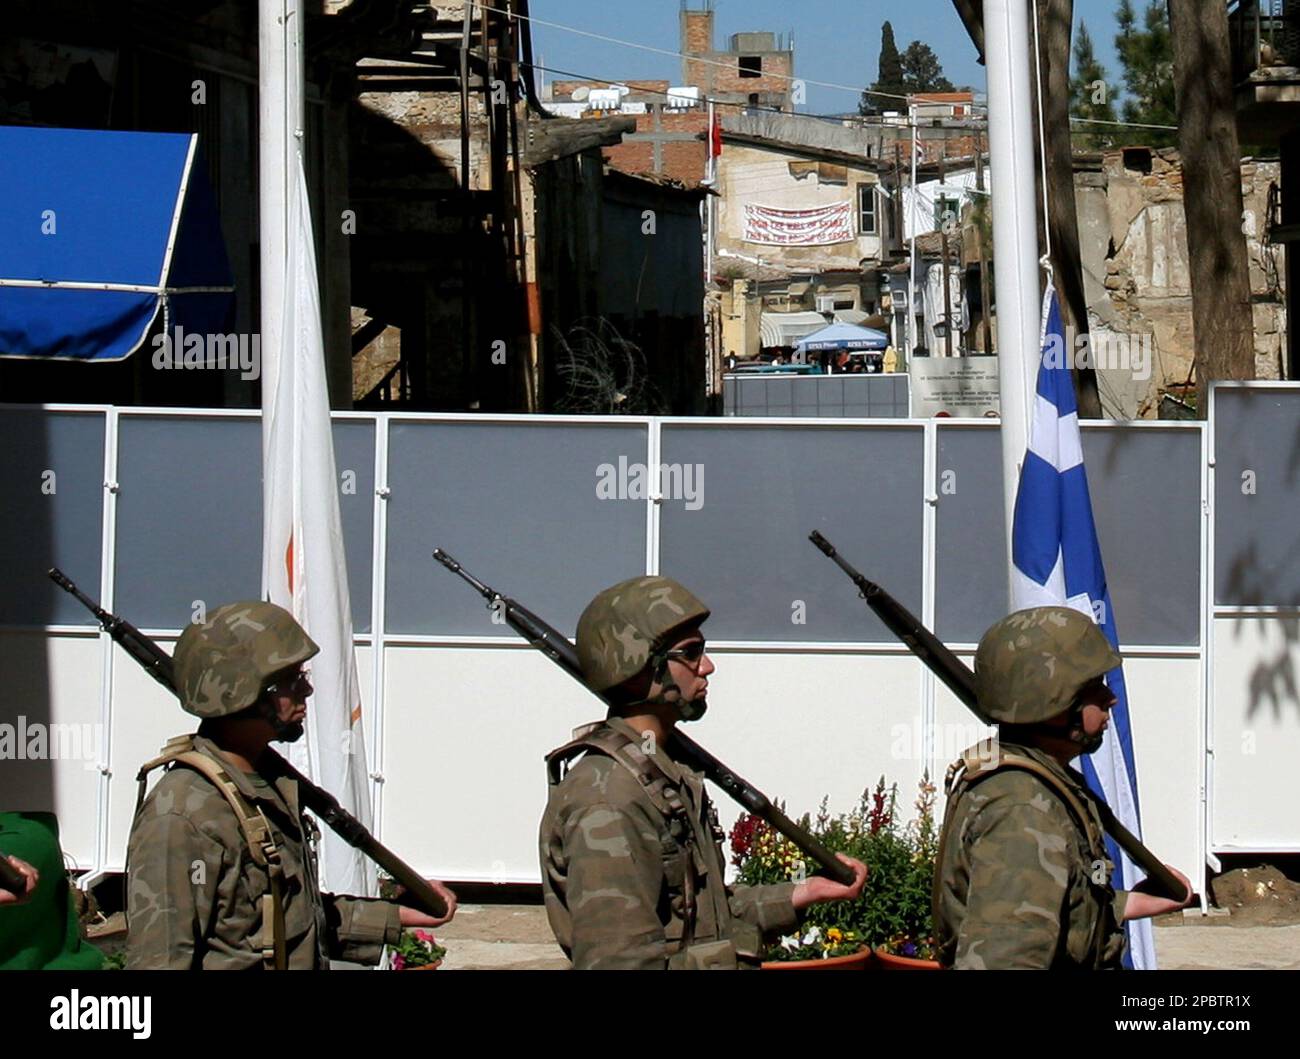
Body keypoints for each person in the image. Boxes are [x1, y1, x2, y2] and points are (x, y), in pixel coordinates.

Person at [539, 576, 867, 969]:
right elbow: (620, 962)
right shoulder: (610, 798)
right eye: (691, 653)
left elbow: (705, 914)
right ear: (642, 664)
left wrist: (803, 892)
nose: (707, 667)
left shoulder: (662, 775)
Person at [126, 601, 456, 969]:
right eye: (291, 679)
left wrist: (397, 915)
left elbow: (294, 918)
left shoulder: (270, 784)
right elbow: (160, 961)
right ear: (245, 691)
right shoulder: (181, 815)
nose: (307, 690)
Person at [933, 606, 1193, 969]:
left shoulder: (1035, 778)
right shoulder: (1021, 810)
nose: (1110, 700)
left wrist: (1123, 905)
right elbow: (1005, 957)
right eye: (1094, 690)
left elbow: (1050, 900)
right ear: (1054, 701)